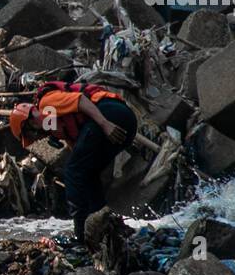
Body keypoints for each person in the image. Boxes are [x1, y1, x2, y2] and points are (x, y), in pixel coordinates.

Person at [9, 80, 138, 243]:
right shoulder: (55, 126)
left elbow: (81, 101)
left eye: (31, 135)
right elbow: (79, 151)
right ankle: (108, 227)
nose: (37, 138)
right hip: (124, 122)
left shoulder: (47, 104)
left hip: (110, 115)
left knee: (73, 171)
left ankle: (80, 233)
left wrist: (105, 124)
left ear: (29, 122)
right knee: (87, 174)